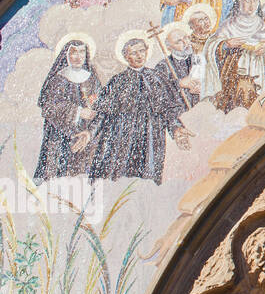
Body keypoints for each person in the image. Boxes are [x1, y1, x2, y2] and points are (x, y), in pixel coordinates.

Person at [80, 34, 191, 185]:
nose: (139, 56)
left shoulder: (157, 78)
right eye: (133, 53)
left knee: (146, 182)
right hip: (122, 139)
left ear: (147, 51)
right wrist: (90, 132)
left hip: (151, 138)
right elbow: (104, 114)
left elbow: (167, 111)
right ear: (126, 57)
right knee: (119, 181)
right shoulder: (118, 81)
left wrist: (176, 129)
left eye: (141, 51)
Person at [206, 0, 265, 111]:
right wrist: (226, 44)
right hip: (233, 70)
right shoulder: (229, 24)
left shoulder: (259, 23)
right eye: (248, 0)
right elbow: (211, 45)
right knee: (234, 101)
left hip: (256, 69)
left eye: (255, 0)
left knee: (253, 100)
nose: (252, 4)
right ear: (240, 1)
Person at [33, 35, 102, 183]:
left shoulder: (92, 79)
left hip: (86, 137)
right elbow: (49, 107)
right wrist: (78, 111)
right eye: (74, 52)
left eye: (81, 52)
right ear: (66, 54)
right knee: (57, 178)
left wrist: (90, 131)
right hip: (60, 136)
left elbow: (100, 108)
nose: (78, 56)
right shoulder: (58, 79)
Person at [155, 23, 205, 106]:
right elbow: (159, 91)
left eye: (185, 38)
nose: (185, 43)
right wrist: (179, 83)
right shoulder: (163, 65)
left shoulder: (198, 58)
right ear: (169, 48)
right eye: (178, 42)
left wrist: (202, 86)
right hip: (180, 108)